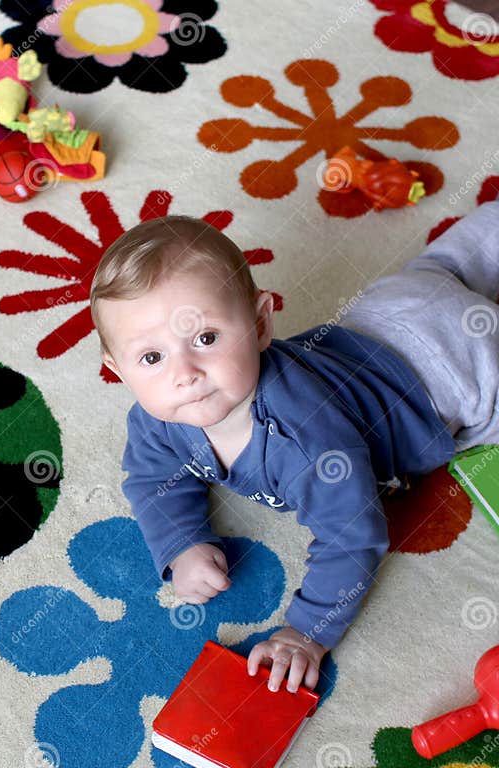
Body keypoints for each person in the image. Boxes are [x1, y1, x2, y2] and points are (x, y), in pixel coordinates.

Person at [89, 203, 499, 694]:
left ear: (262, 324)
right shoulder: (157, 417)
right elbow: (151, 477)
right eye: (151, 357)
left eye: (205, 337)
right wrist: (181, 540)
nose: (184, 374)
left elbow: (353, 537)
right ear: (116, 370)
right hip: (392, 310)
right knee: (461, 261)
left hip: (455, 370)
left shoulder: (303, 443)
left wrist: (306, 632)